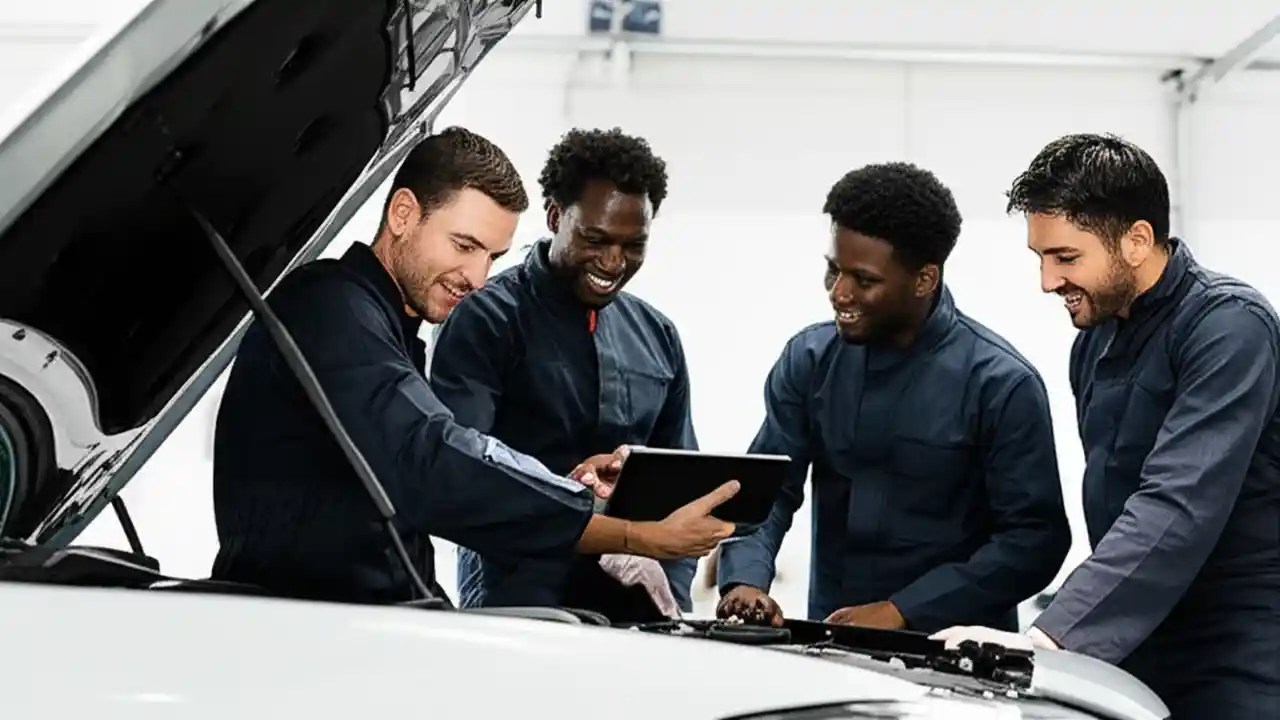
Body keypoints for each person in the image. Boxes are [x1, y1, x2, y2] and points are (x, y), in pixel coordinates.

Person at [210, 126, 737, 608]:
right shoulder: (330, 309)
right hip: (306, 632)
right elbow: (440, 461)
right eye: (464, 246)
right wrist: (626, 530)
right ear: (402, 215)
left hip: (368, 623)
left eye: (492, 256)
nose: (477, 277)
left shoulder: (386, 326)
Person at [934, 133, 1280, 718]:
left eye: (1066, 258)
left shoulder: (1229, 328)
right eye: (1040, 258)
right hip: (1135, 637)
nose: (1047, 281)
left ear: (1137, 240)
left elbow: (1178, 502)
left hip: (1236, 644)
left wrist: (1049, 639)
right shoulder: (1093, 343)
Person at [715, 162, 1072, 634]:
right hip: (830, 644)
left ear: (924, 280)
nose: (838, 293)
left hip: (954, 657)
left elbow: (1034, 541)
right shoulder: (809, 360)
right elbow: (766, 492)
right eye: (833, 270)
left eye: (863, 280)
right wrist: (744, 581)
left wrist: (906, 610)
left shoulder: (1001, 384)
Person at [429, 127, 702, 618]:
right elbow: (462, 477)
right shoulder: (483, 319)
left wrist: (671, 589)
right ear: (555, 216)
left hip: (638, 610)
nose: (614, 262)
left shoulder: (657, 335)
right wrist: (573, 487)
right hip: (517, 603)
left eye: (633, 245)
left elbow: (682, 478)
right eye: (595, 239)